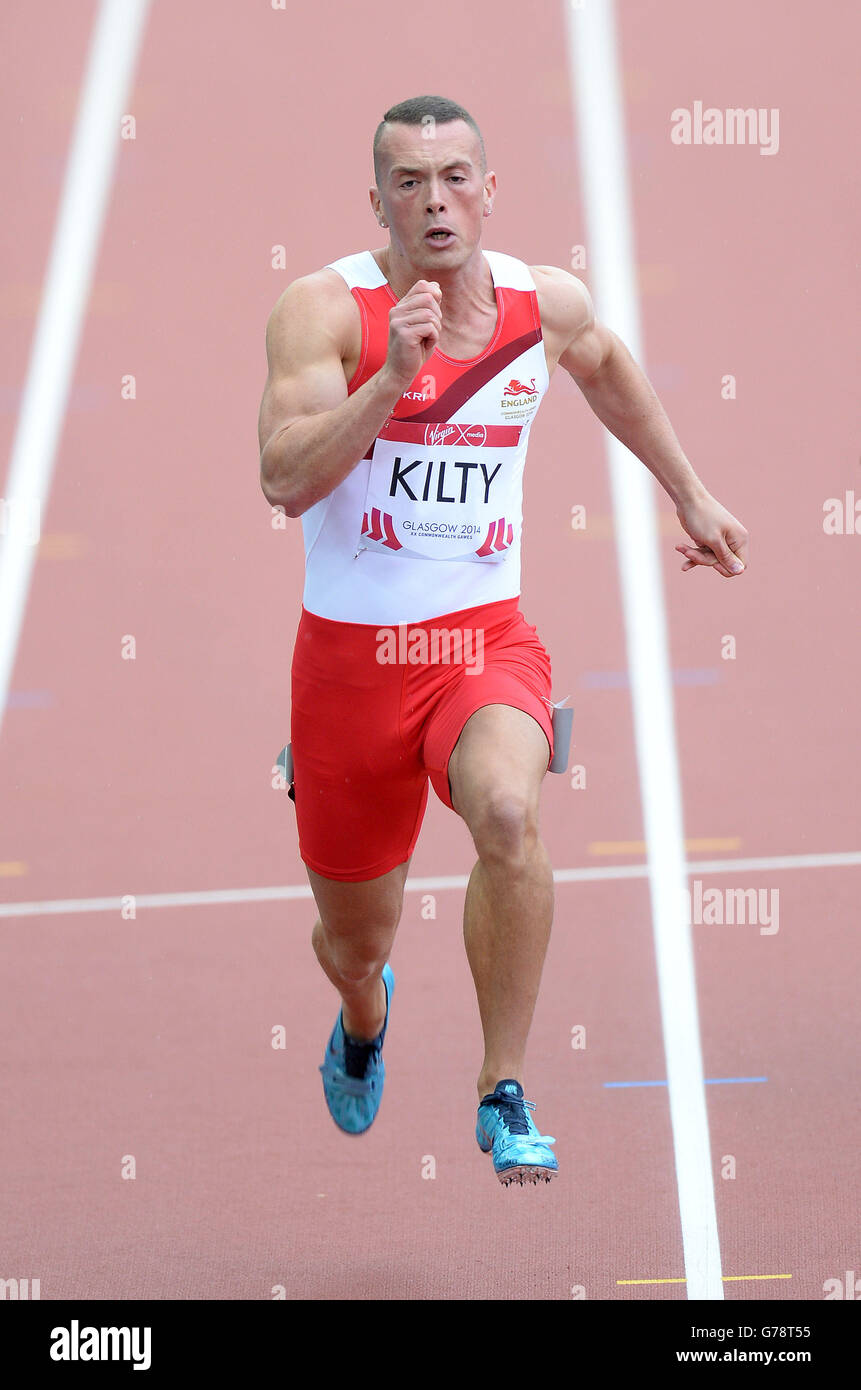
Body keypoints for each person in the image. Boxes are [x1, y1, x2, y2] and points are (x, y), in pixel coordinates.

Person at [257, 95, 749, 1186]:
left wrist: (692, 495)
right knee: (356, 944)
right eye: (409, 182)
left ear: (490, 190)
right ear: (376, 200)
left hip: (478, 644)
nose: (434, 201)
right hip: (348, 667)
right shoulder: (323, 313)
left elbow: (607, 364)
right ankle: (364, 1016)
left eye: (455, 177)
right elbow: (281, 479)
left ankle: (504, 1087)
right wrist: (387, 385)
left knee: (512, 810)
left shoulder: (542, 301)